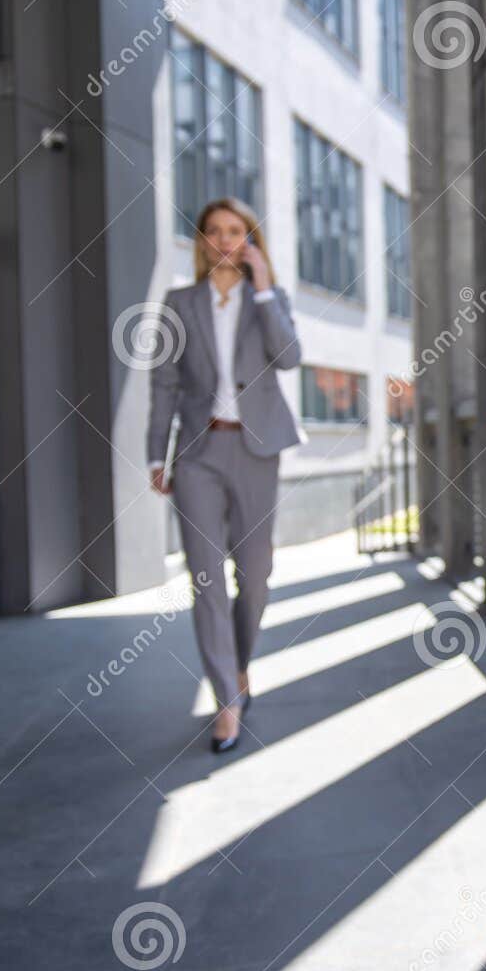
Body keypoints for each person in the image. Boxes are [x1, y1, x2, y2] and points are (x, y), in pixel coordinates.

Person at [146, 197, 304, 753]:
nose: (224, 239)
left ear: (250, 239)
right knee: (206, 579)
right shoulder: (179, 302)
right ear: (202, 241)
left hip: (259, 451)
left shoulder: (270, 299)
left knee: (255, 577)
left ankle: (238, 666)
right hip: (197, 453)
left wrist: (262, 286)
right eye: (213, 231)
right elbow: (164, 383)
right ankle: (227, 701)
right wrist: (156, 454)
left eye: (235, 230)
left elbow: (288, 358)